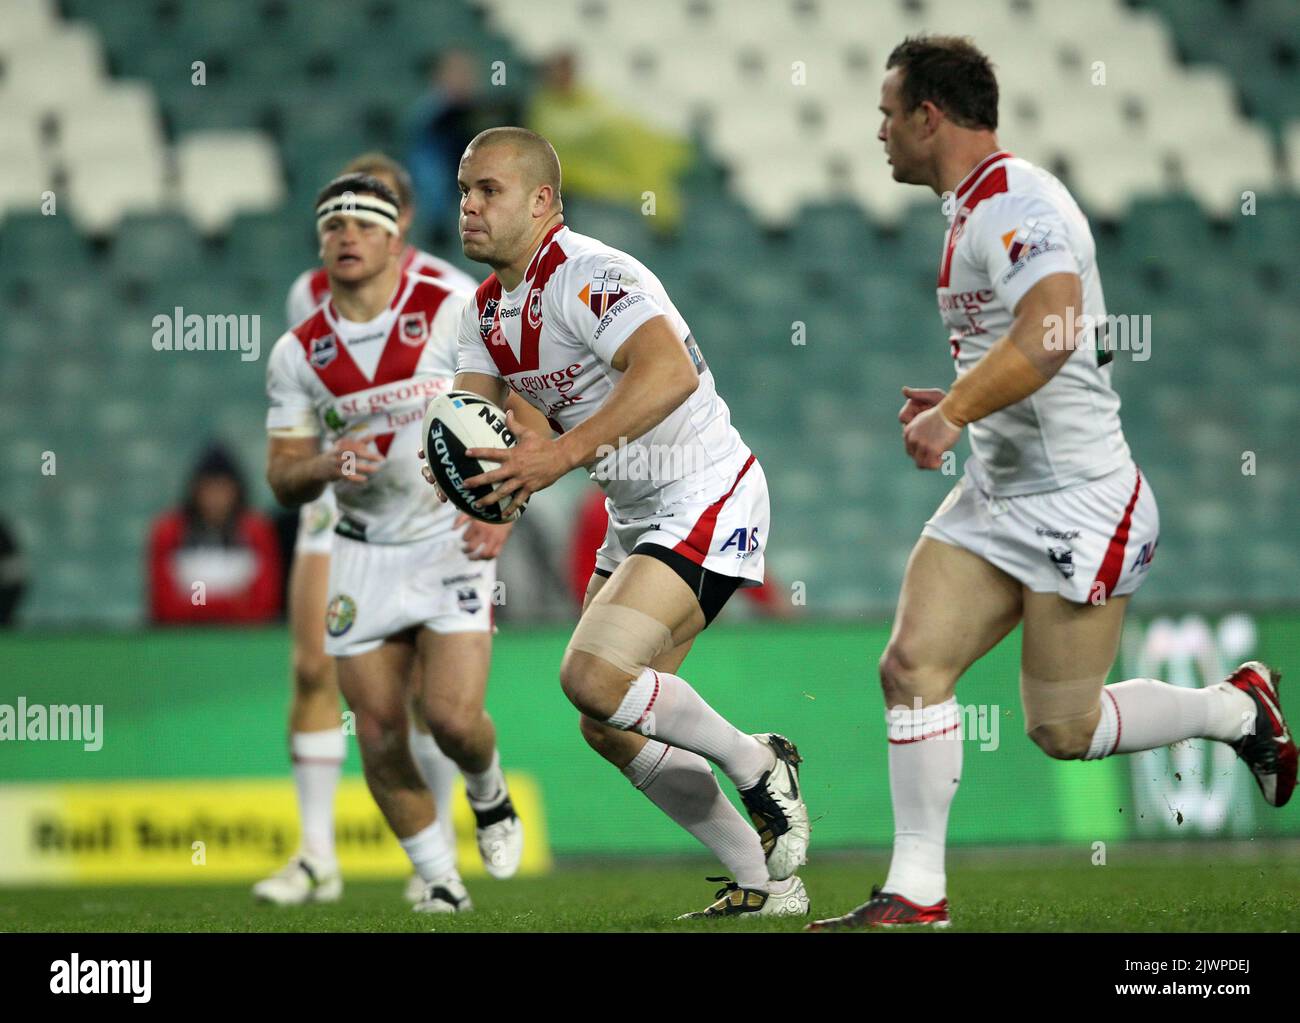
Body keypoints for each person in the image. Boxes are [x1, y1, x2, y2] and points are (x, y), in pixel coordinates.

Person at [807, 36, 1295, 931]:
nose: (877, 131)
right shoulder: (972, 209)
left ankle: (1235, 708)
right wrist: (965, 401)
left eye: (887, 113)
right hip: (997, 494)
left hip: (1081, 500)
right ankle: (917, 893)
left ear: (930, 115)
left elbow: (1058, 327)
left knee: (1061, 730)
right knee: (912, 665)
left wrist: (954, 412)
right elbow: (1053, 340)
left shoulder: (1017, 202)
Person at [423, 126, 810, 919]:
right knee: (609, 723)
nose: (467, 205)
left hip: (704, 490)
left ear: (541, 201)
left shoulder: (593, 274)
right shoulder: (484, 313)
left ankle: (759, 760)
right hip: (637, 512)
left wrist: (558, 457)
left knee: (590, 679)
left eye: (486, 190)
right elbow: (476, 424)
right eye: (463, 190)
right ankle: (768, 883)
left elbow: (666, 372)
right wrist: (461, 471)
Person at [264, 172, 527, 914]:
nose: (348, 235)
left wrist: (501, 509)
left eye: (365, 222)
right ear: (320, 243)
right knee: (378, 730)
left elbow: (522, 406)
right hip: (361, 550)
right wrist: (323, 463)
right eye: (334, 224)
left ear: (396, 236)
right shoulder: (297, 351)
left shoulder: (450, 310)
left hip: (448, 540)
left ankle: (489, 789)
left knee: (449, 719)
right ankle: (439, 877)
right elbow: (282, 475)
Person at [149, 444, 281, 625]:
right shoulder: (169, 532)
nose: (215, 498)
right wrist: (233, 603)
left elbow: (264, 607)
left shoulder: (256, 531)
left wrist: (197, 604)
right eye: (209, 489)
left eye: (223, 489)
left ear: (236, 491)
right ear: (195, 491)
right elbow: (165, 608)